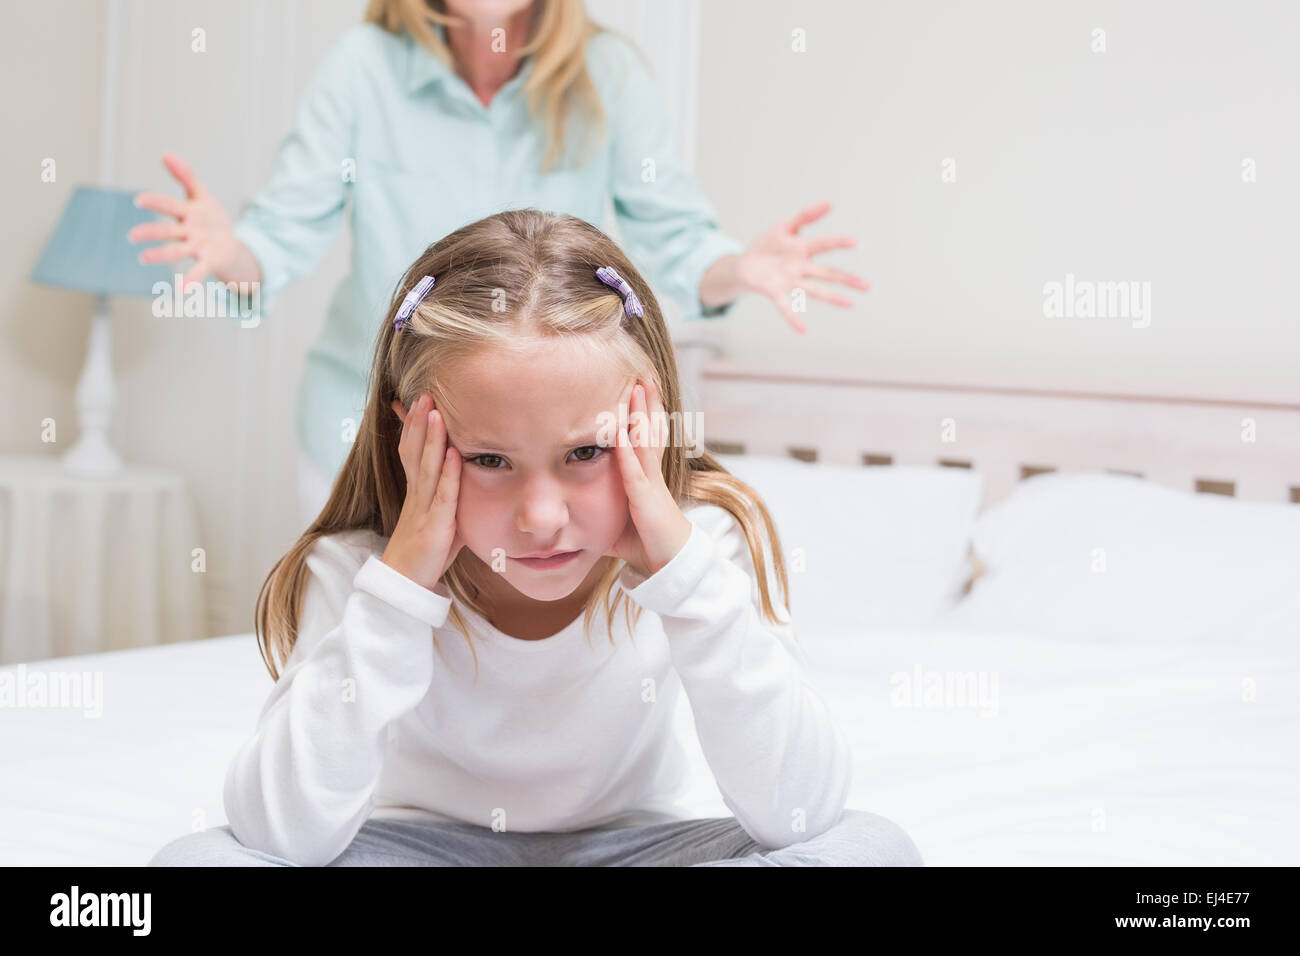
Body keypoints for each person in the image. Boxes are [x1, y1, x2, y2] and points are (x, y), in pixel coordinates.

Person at [146, 208, 921, 866]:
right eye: (489, 460)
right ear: (414, 438)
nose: (541, 517)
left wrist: (682, 577)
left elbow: (799, 815)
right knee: (195, 862)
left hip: (626, 848)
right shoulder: (357, 571)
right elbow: (281, 833)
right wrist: (400, 590)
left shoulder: (702, 547)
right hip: (416, 846)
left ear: (649, 427)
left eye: (585, 453)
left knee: (871, 847)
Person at [126, 0, 871, 529]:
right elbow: (278, 237)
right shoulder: (364, 69)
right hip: (370, 434)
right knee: (367, 672)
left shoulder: (607, 74)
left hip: (531, 445)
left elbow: (677, 233)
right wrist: (230, 256)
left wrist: (739, 269)